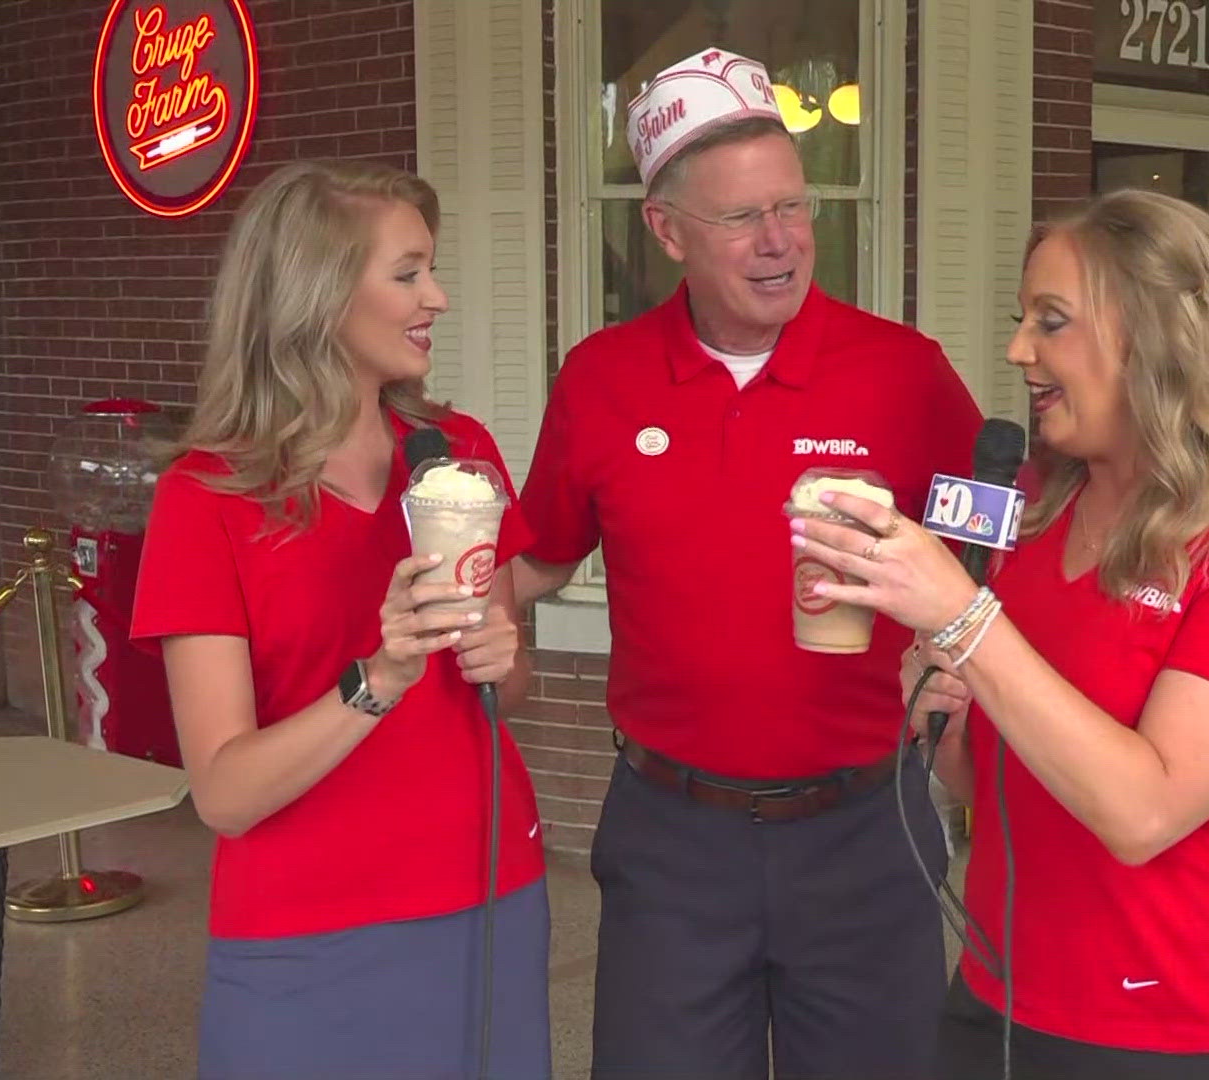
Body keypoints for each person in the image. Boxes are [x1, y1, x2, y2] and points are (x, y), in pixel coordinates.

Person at [792, 189, 1209, 1079]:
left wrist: (966, 623)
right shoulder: (1042, 510)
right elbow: (989, 774)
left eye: (1052, 322)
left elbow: (1143, 811)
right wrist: (936, 706)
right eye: (1021, 321)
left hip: (1186, 1023)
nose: (1017, 351)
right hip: (1002, 991)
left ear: (1163, 338)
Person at [514, 48, 983, 1080]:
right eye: (740, 218)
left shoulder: (904, 374)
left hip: (867, 827)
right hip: (674, 840)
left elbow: (994, 556)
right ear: (667, 229)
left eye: (792, 207)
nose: (780, 242)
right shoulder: (602, 379)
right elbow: (534, 561)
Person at [130, 160, 550, 1080]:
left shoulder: (458, 452)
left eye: (430, 269)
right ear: (315, 295)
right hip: (302, 928)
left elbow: (511, 686)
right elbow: (225, 795)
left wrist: (500, 654)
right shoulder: (206, 498)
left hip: (486, 889)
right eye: (407, 274)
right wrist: (380, 678)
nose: (435, 297)